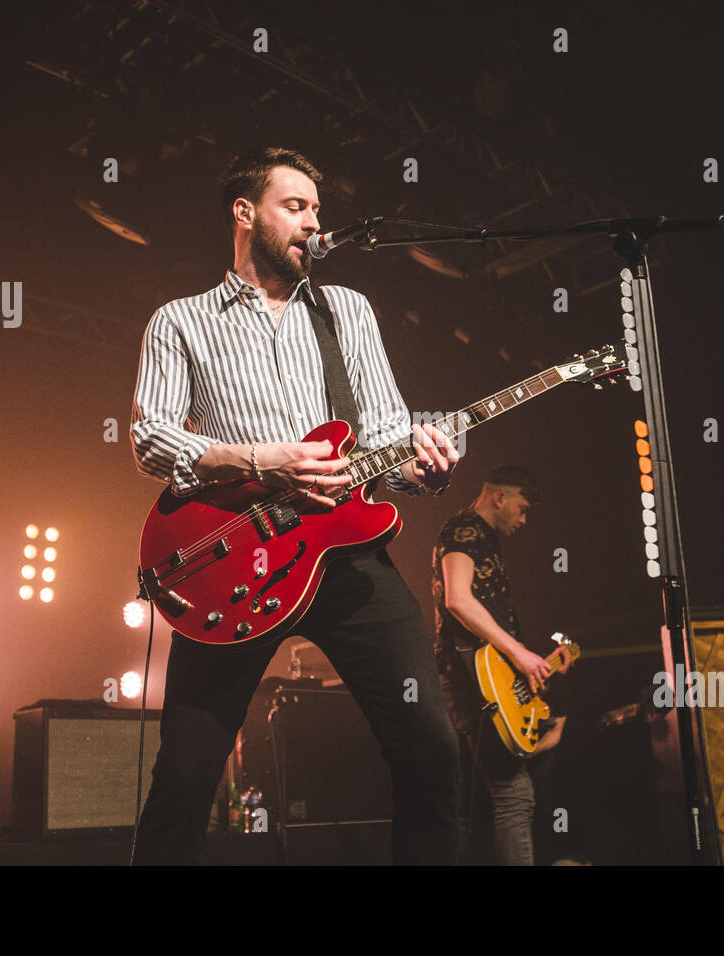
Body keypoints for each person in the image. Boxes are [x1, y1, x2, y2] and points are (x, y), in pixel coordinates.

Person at [129, 147, 461, 865]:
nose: (314, 222)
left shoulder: (347, 311)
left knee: (431, 745)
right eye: (297, 206)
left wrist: (424, 467)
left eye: (318, 209)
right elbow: (151, 439)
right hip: (237, 557)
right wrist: (263, 459)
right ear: (245, 214)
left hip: (347, 559)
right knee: (186, 774)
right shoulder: (181, 320)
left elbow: (380, 437)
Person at [431, 464, 570, 865]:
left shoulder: (482, 537)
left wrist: (530, 663)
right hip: (468, 679)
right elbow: (457, 599)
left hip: (484, 676)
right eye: (523, 508)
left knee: (495, 797)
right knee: (513, 796)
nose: (524, 519)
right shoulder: (463, 531)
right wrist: (520, 654)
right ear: (499, 497)